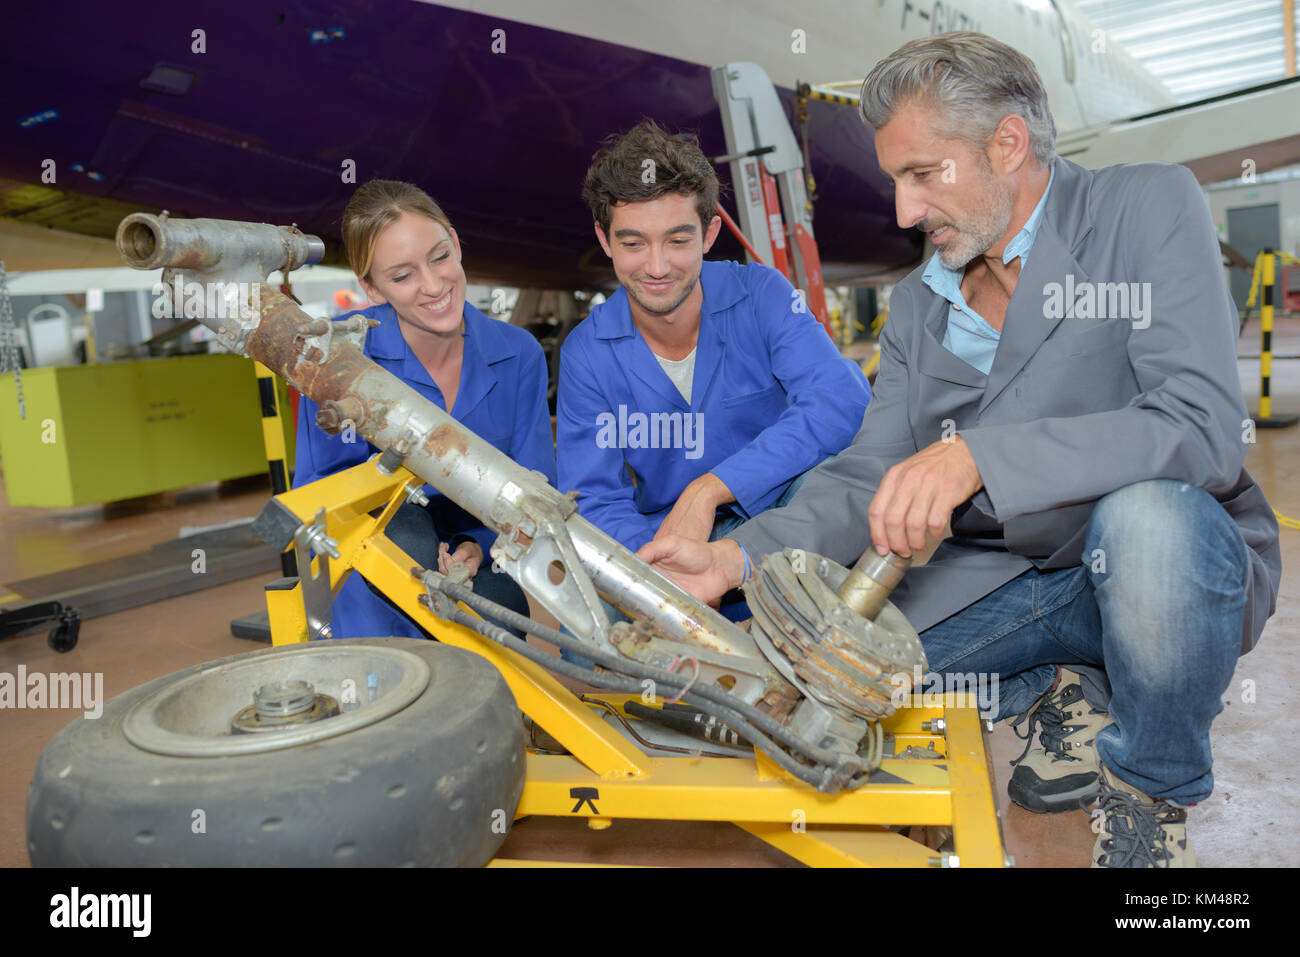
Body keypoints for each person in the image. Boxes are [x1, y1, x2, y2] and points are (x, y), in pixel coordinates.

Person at [639, 33, 1281, 868]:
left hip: (1158, 562)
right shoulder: (918, 306)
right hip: (1007, 576)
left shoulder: (1144, 208)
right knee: (824, 691)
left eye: (922, 174)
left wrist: (980, 455)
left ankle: (1150, 793)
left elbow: (1199, 425)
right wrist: (735, 556)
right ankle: (1062, 686)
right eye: (895, 181)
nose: (904, 211)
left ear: (1007, 144)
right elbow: (870, 467)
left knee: (1151, 521)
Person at [557, 119, 872, 557]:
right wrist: (660, 569)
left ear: (708, 235)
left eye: (677, 240)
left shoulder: (763, 295)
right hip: (666, 539)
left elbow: (841, 399)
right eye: (633, 244)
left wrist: (710, 489)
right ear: (604, 240)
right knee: (594, 602)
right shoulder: (586, 353)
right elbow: (594, 498)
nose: (657, 267)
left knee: (841, 486)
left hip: (778, 522)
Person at [293, 179, 556, 640]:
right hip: (371, 559)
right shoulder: (341, 356)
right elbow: (319, 497)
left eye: (439, 257)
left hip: (475, 557)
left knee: (499, 610)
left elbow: (534, 487)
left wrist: (481, 543)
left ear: (455, 243)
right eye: (402, 275)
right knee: (408, 540)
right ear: (371, 287)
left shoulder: (519, 354)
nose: (434, 285)